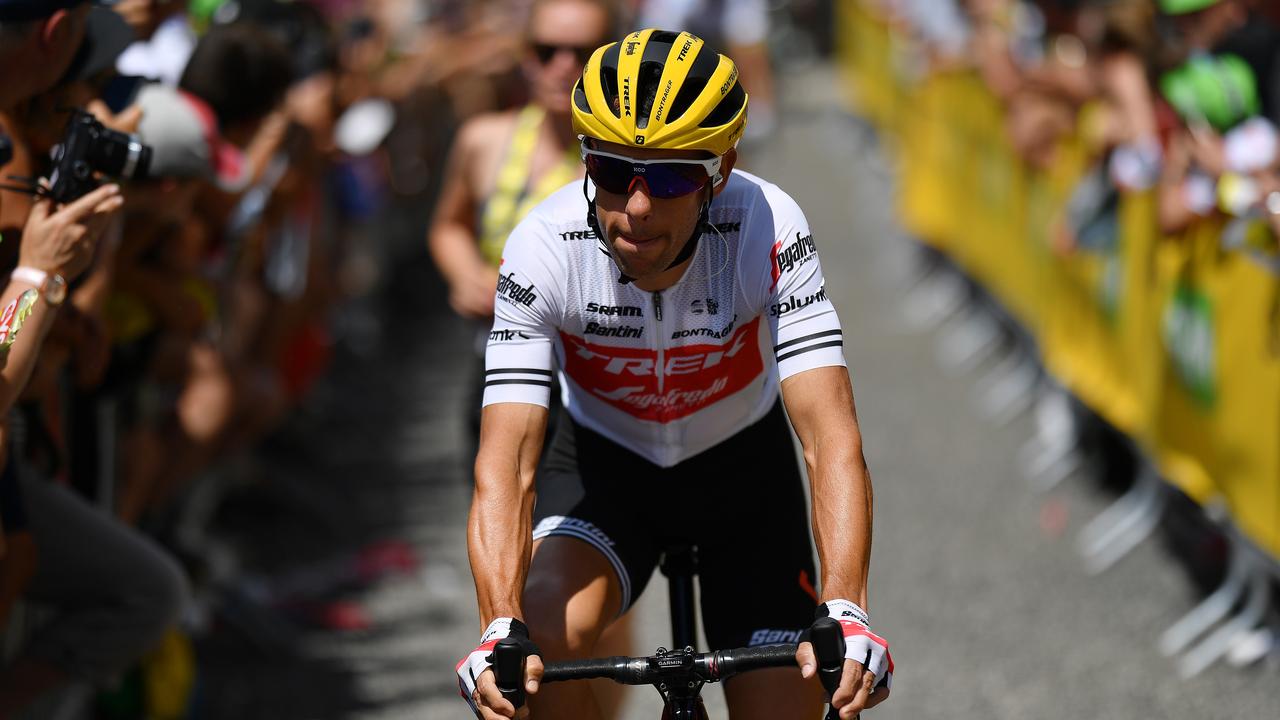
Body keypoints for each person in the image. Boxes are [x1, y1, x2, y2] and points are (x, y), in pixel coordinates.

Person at [456, 28, 893, 720]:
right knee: (536, 655)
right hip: (605, 468)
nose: (635, 208)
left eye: (670, 177)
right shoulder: (542, 246)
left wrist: (847, 606)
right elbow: (506, 462)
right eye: (610, 172)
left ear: (719, 170)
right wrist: (498, 624)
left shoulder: (767, 226)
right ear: (583, 160)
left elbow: (829, 434)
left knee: (806, 695)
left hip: (741, 475)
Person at [428, 0, 615, 458]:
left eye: (583, 52)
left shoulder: (628, 159)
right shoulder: (483, 140)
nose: (563, 66)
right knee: (497, 510)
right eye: (546, 50)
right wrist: (466, 274)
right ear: (525, 55)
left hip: (596, 382)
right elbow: (448, 226)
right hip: (500, 364)